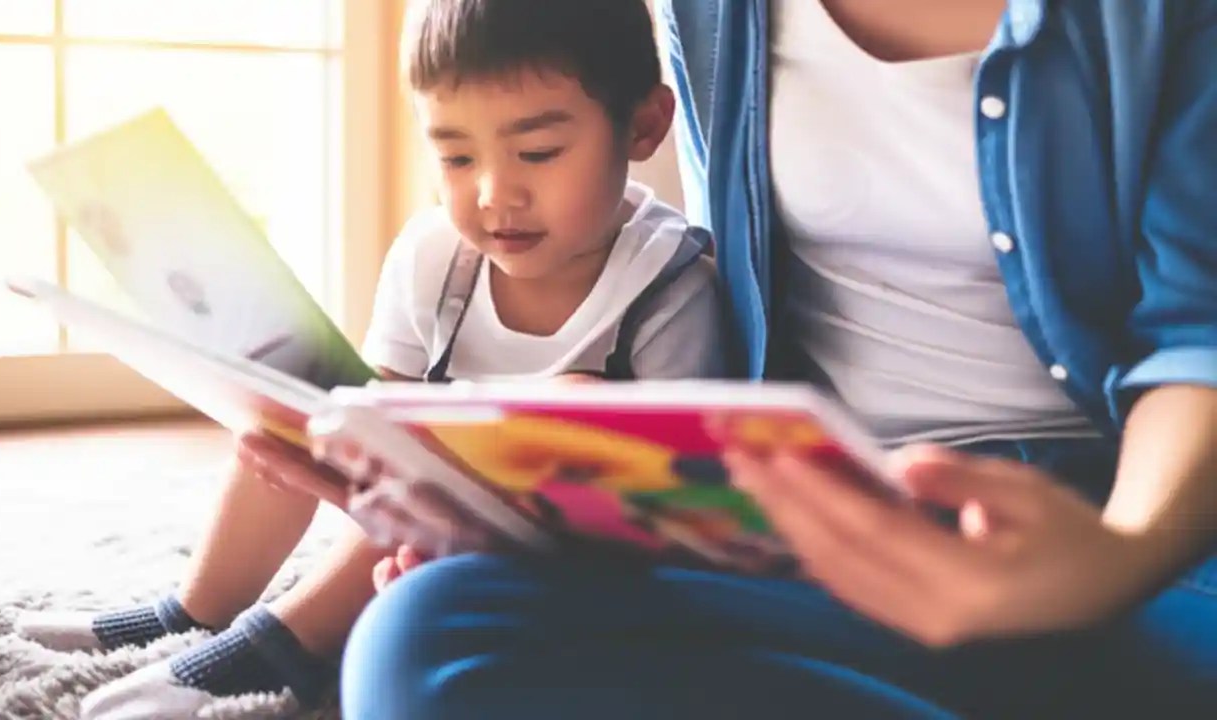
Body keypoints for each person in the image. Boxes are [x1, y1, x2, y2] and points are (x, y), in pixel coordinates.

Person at [333, 0, 1217, 717]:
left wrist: (1117, 555)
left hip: (1146, 533)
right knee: (433, 631)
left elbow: (1199, 330)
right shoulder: (715, 15)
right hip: (833, 518)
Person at [14, 0, 725, 714]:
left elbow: (665, 510)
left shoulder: (669, 287)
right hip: (429, 518)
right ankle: (197, 611)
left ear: (641, 127)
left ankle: (284, 646)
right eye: (455, 156)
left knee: (537, 418)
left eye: (537, 154)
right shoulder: (435, 258)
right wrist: (317, 425)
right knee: (293, 420)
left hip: (576, 562)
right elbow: (378, 407)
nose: (492, 195)